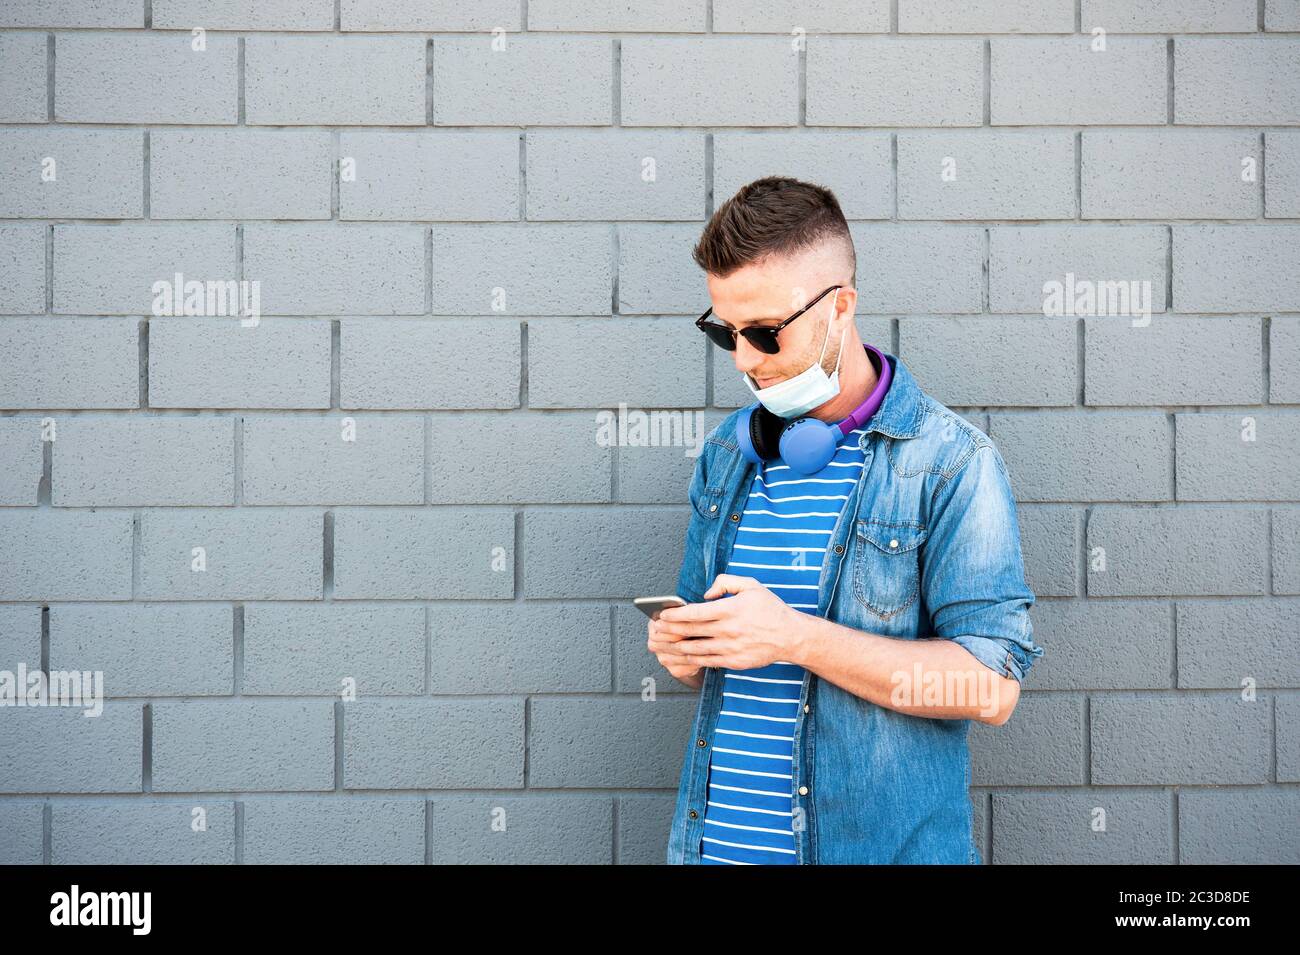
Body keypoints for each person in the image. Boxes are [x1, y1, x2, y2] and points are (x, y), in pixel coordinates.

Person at [649, 176, 1043, 865]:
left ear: (840, 309)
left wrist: (794, 636)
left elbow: (990, 688)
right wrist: (685, 653)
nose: (745, 360)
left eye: (766, 333)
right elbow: (712, 658)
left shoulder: (950, 462)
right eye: (726, 333)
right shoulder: (727, 458)